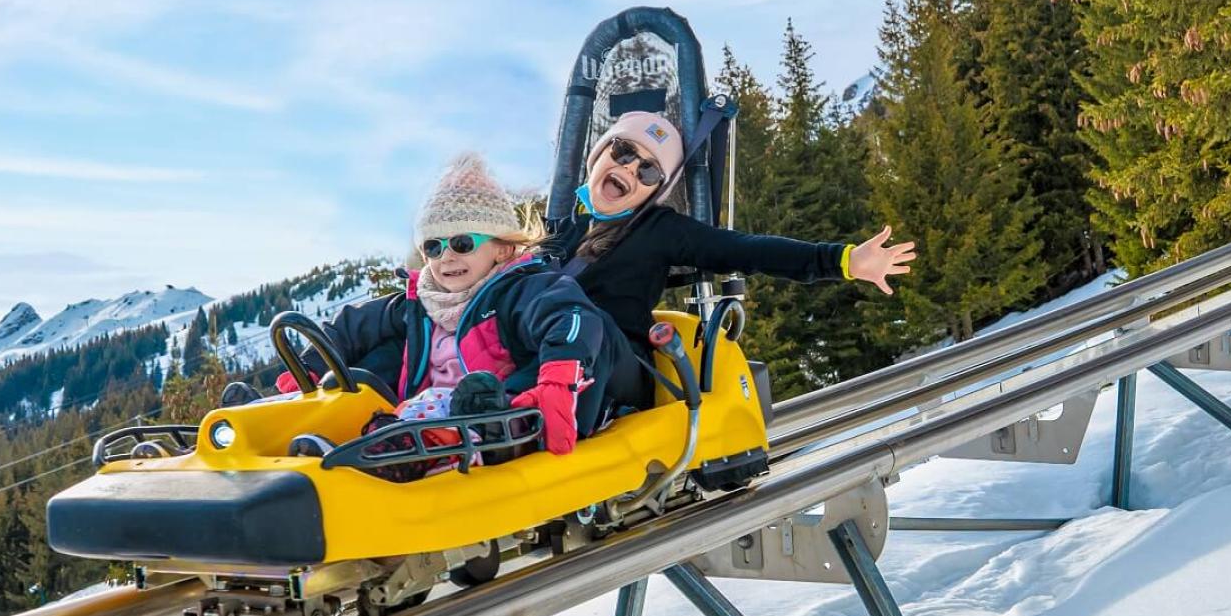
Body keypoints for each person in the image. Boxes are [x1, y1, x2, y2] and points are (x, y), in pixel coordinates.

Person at [545, 111, 915, 408]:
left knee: (586, 323)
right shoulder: (560, 234)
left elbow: (747, 249)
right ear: (599, 154)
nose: (629, 168)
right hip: (547, 357)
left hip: (612, 367)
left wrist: (843, 260)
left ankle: (553, 413)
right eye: (624, 152)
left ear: (655, 191)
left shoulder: (658, 229)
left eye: (648, 170)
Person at [288, 152, 619, 461]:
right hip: (419, 416)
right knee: (370, 368)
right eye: (434, 247)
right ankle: (310, 430)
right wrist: (306, 370)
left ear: (502, 250)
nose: (446, 257)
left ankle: (383, 456)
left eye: (462, 243)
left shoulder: (520, 289)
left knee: (452, 405)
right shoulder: (420, 304)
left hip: (503, 417)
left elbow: (571, 315)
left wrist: (560, 377)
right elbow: (349, 326)